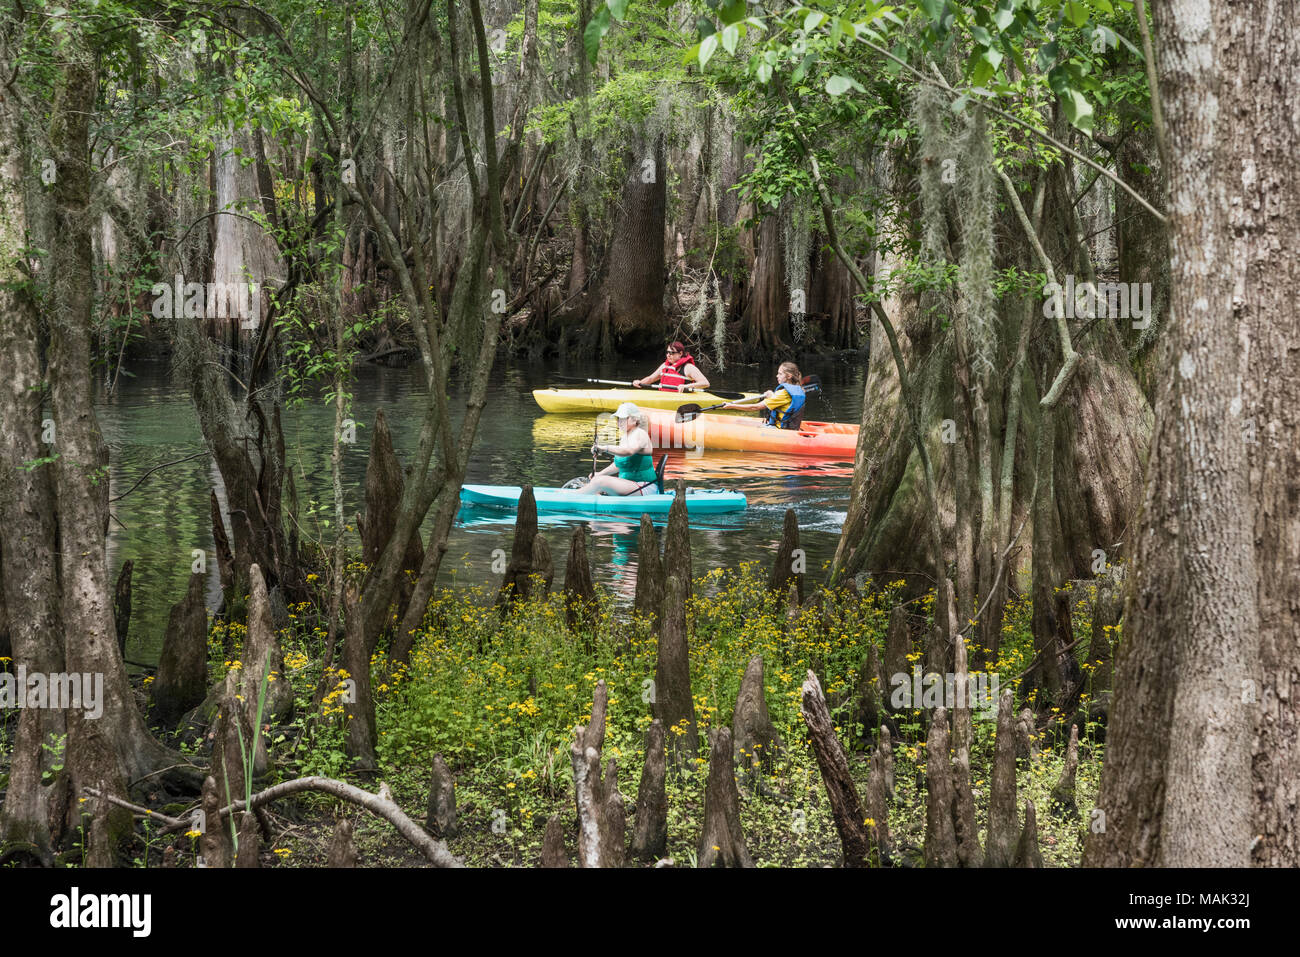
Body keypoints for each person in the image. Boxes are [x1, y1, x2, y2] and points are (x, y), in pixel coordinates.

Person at [580, 403, 660, 496]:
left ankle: (573, 497)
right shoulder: (625, 437)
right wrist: (600, 474)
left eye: (623, 418)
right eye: (618, 419)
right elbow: (618, 465)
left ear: (635, 419)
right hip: (631, 485)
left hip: (645, 486)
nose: (619, 422)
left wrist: (605, 448)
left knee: (600, 482)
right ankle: (579, 495)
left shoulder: (640, 433)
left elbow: (629, 451)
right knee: (597, 480)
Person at [721, 361, 807, 429]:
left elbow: (755, 407)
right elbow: (782, 401)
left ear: (789, 376)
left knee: (739, 424)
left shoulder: (783, 393)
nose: (777, 376)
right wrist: (772, 395)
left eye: (780, 374)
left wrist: (732, 406)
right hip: (789, 428)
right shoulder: (799, 390)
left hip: (778, 430)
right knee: (742, 422)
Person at [633, 341, 710, 392]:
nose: (668, 355)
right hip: (665, 397)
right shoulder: (664, 366)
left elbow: (705, 383)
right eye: (667, 352)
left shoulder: (688, 367)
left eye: (672, 353)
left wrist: (686, 386)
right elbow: (651, 378)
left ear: (680, 353)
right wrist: (640, 382)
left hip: (682, 399)